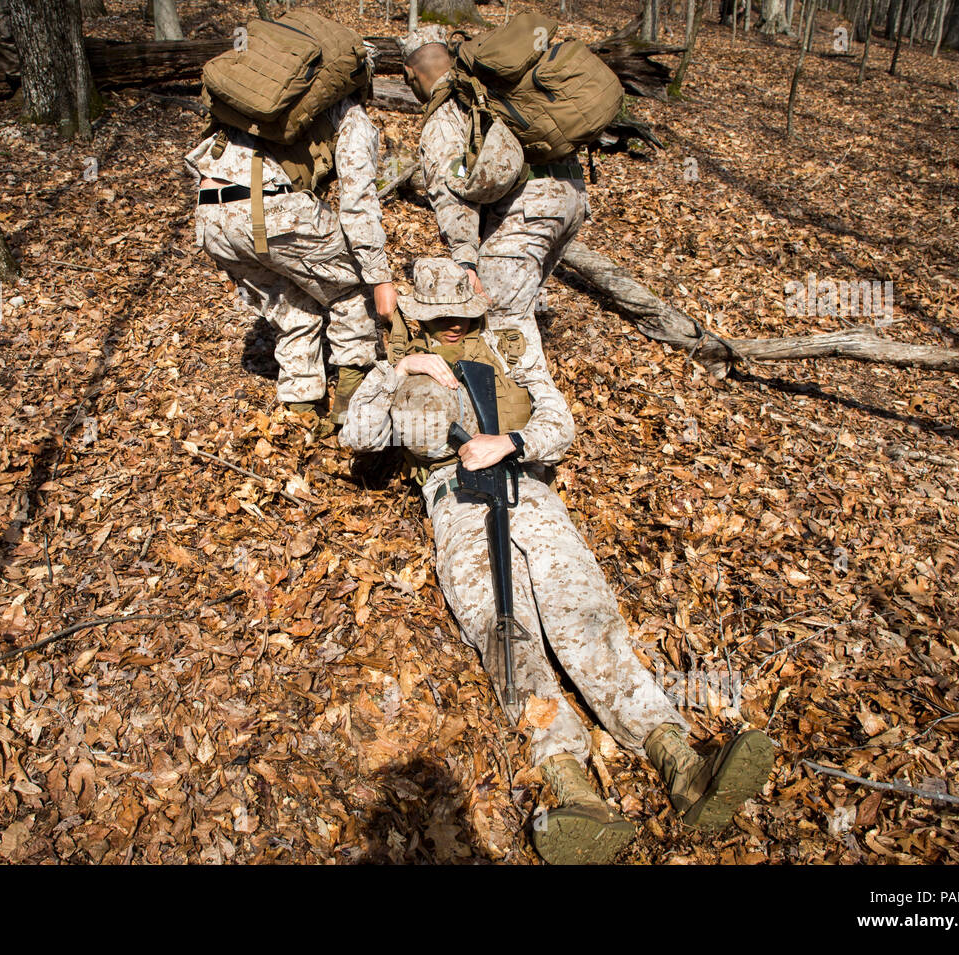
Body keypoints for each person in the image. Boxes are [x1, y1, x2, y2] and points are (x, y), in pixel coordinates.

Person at [340, 258, 774, 864]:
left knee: (584, 615)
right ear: (420, 315)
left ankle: (678, 757)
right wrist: (399, 371)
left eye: (464, 317)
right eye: (440, 320)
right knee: (504, 630)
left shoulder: (511, 346)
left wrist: (510, 442)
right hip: (456, 501)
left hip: (528, 488)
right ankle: (571, 788)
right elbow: (356, 436)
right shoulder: (402, 368)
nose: (455, 330)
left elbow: (560, 424)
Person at [185, 50, 396, 434]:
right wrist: (379, 278)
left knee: (291, 304)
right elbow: (358, 203)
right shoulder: (348, 115)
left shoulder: (258, 105)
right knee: (350, 288)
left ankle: (300, 414)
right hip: (269, 212)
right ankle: (353, 406)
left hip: (210, 218)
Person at [398, 26, 589, 370]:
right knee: (520, 306)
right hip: (570, 195)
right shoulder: (490, 89)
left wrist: (466, 261)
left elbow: (454, 190)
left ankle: (536, 419)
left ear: (409, 73)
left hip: (528, 210)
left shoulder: (447, 110)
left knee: (504, 323)